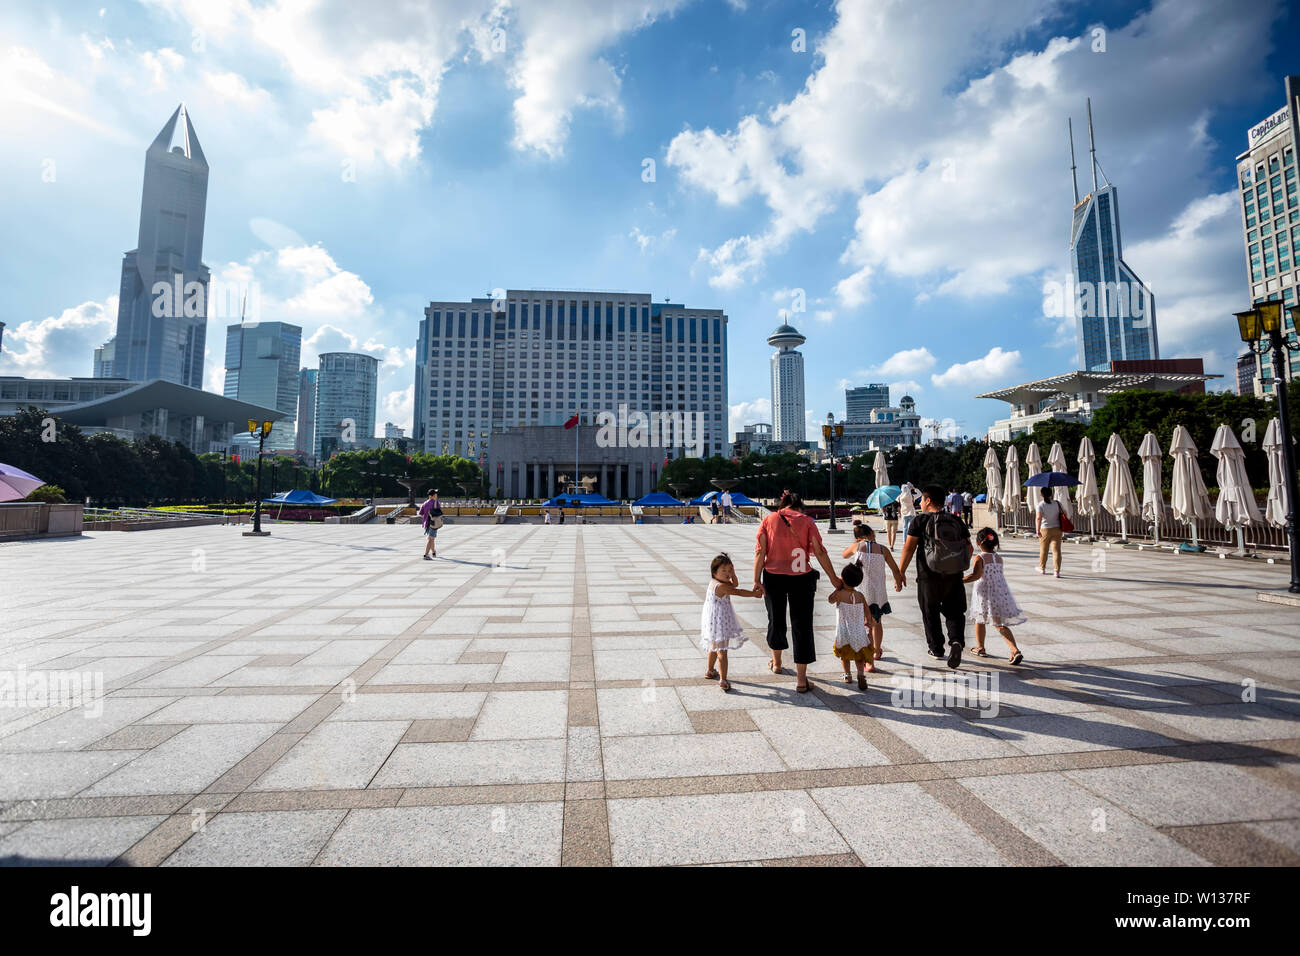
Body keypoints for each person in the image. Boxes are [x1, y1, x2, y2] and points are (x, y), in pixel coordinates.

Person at [752, 490, 842, 693]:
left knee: (776, 619)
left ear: (782, 505)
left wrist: (756, 580)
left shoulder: (769, 519)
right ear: (799, 506)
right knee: (802, 624)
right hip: (801, 578)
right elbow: (819, 551)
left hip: (773, 577)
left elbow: (760, 551)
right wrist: (834, 578)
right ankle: (801, 679)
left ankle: (776, 663)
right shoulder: (807, 521)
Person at [897, 484, 972, 668]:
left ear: (928, 500)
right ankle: (956, 641)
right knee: (955, 611)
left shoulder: (920, 521)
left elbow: (909, 548)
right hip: (954, 576)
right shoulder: (956, 521)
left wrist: (900, 572)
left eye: (921, 499)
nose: (920, 503)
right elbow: (969, 548)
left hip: (928, 575)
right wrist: (956, 564)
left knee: (930, 611)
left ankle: (936, 648)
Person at [841, 523, 902, 671]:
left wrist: (855, 544)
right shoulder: (883, 549)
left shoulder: (858, 546)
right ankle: (876, 651)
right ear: (873, 533)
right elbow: (895, 568)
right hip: (878, 594)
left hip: (861, 592)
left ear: (858, 537)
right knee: (876, 623)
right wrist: (898, 582)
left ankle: (868, 660)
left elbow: (844, 554)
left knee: (863, 625)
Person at [963, 528, 1025, 665]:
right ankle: (989, 647)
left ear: (978, 543)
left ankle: (1012, 649)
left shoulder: (979, 557)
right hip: (999, 593)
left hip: (985, 594)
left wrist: (961, 580)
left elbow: (977, 575)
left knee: (985, 620)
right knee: (992, 621)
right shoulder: (998, 558)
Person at [701, 553, 761, 692]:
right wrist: (754, 594)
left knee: (714, 647)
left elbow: (735, 583)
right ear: (714, 572)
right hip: (720, 622)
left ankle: (710, 670)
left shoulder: (716, 582)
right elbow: (738, 591)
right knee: (722, 651)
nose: (727, 573)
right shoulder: (721, 587)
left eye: (729, 570)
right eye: (724, 571)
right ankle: (723, 679)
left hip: (713, 622)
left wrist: (733, 574)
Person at [828, 562, 871, 691]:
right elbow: (867, 612)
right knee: (859, 655)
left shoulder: (840, 594)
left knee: (845, 655)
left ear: (843, 578)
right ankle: (861, 674)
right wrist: (868, 622)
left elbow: (830, 600)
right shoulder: (860, 596)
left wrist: (837, 589)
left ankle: (847, 675)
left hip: (844, 631)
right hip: (858, 630)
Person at [1036, 486, 1065, 578]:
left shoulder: (1040, 505)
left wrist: (1037, 530)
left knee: (1044, 550)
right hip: (1057, 529)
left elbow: (1038, 518)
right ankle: (1056, 571)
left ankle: (1042, 568)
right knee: (1056, 551)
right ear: (1051, 494)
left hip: (1045, 529)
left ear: (1041, 494)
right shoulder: (1057, 503)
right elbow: (1065, 514)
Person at [417, 489, 442, 560]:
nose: (437, 495)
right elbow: (440, 512)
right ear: (434, 495)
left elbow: (421, 514)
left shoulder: (425, 503)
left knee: (431, 538)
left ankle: (434, 552)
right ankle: (426, 555)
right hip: (433, 523)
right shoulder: (436, 503)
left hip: (426, 523)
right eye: (436, 494)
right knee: (430, 539)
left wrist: (426, 517)